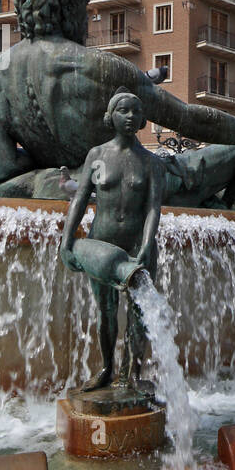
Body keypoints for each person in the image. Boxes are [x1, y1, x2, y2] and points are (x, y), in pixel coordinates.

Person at [60, 91, 164, 390]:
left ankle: (134, 373)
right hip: (101, 245)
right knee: (105, 311)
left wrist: (146, 245)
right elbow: (79, 199)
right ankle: (107, 368)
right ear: (111, 115)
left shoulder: (152, 163)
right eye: (123, 110)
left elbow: (153, 208)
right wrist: (67, 240)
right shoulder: (97, 155)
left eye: (135, 111)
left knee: (138, 313)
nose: (130, 116)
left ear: (143, 119)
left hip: (138, 245)